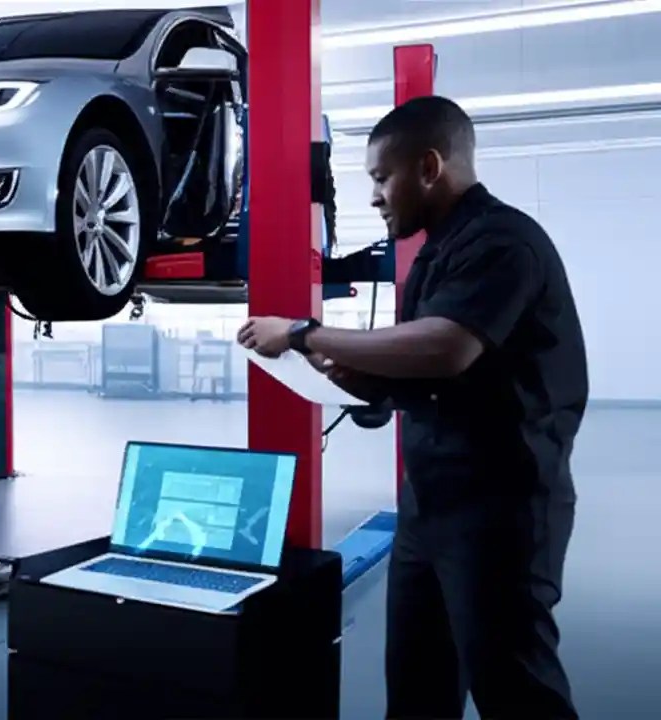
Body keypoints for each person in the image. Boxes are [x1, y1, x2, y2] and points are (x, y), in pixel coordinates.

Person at [237, 96, 585, 719]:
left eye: (381, 178)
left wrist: (303, 334)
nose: (374, 197)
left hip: (501, 513)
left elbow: (447, 347)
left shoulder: (504, 241)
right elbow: (434, 370)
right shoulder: (436, 251)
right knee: (418, 692)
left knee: (518, 695)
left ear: (428, 167)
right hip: (428, 509)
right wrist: (361, 377)